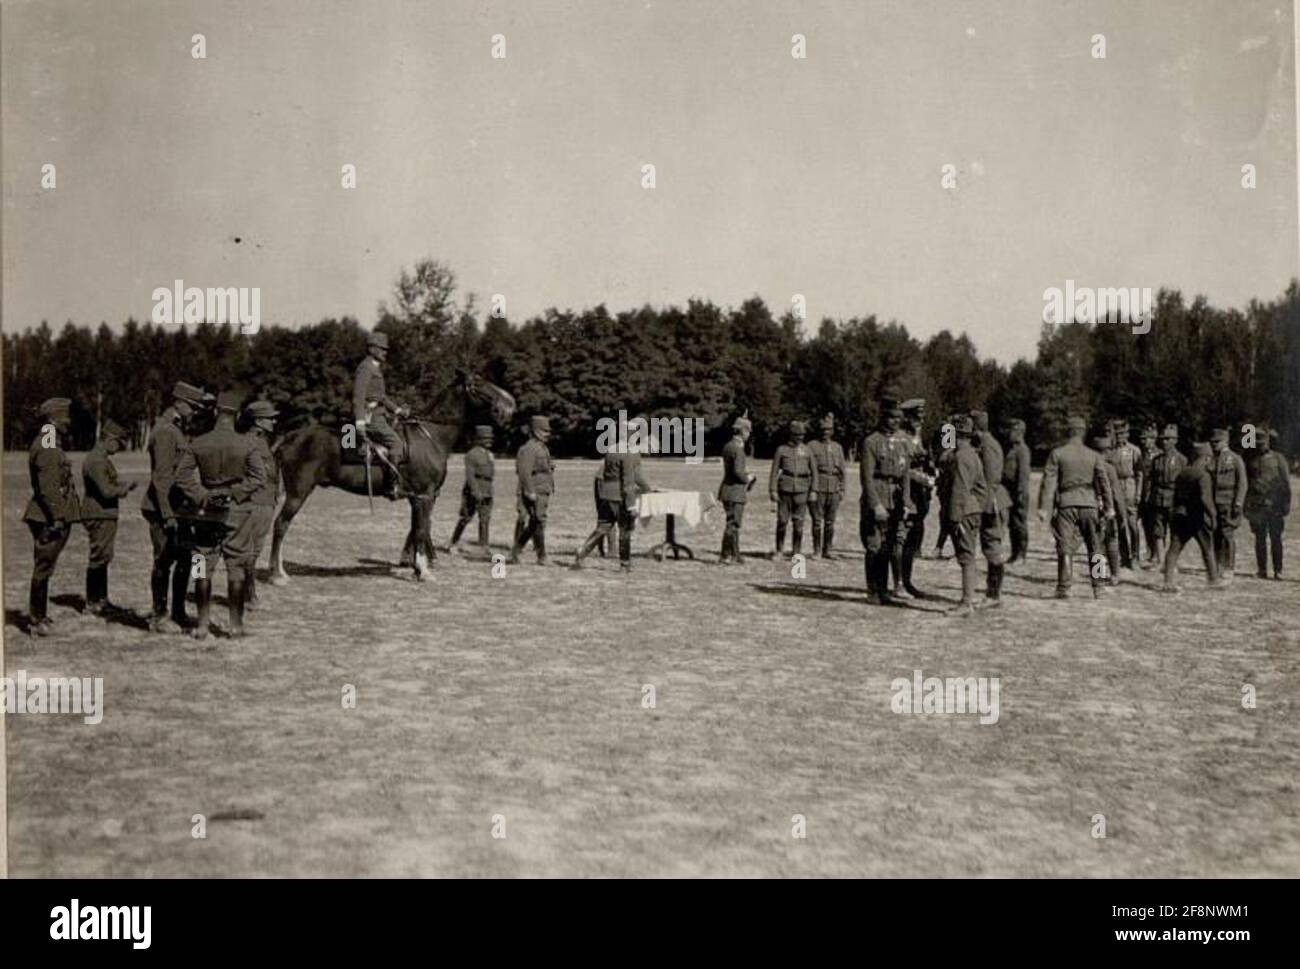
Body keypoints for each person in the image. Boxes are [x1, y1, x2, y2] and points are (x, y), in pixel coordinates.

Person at [175, 390, 268, 639]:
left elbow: (181, 476)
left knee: (201, 563)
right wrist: (235, 492)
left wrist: (202, 495)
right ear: (236, 415)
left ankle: (202, 625)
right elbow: (260, 477)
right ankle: (235, 627)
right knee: (236, 566)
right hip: (237, 512)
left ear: (216, 412)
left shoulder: (198, 442)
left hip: (205, 511)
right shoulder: (247, 443)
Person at [141, 380, 210, 633]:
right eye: (192, 406)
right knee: (163, 560)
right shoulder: (166, 432)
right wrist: (167, 514)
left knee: (184, 560)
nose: (194, 411)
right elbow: (161, 479)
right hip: (163, 508)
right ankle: (159, 617)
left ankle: (178, 612)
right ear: (180, 403)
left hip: (177, 506)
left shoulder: (177, 429)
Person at [22, 398, 81, 636]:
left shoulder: (50, 441)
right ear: (53, 419)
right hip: (48, 516)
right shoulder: (48, 444)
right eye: (64, 417)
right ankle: (36, 620)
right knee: (43, 567)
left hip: (49, 514)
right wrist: (57, 517)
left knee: (46, 567)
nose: (68, 421)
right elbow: (48, 487)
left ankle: (40, 614)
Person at [1038, 416, 1113, 599]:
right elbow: (1104, 483)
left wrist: (1044, 508)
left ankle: (1064, 587)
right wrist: (1109, 506)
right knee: (1096, 546)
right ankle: (1099, 587)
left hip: (1066, 504)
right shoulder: (1094, 455)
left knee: (1065, 546)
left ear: (1069, 432)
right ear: (1083, 432)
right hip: (1089, 503)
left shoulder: (1058, 454)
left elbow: (1049, 483)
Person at [573, 416, 654, 571]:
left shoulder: (611, 450)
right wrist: (631, 503)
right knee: (625, 530)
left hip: (606, 494)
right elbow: (628, 480)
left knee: (603, 527)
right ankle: (625, 564)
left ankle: (582, 551)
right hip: (620, 496)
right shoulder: (628, 453)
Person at [80, 418, 137, 615]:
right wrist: (124, 489)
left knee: (104, 557)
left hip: (103, 513)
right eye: (119, 443)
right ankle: (93, 602)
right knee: (98, 558)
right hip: (99, 514)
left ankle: (101, 600)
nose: (119, 448)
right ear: (110, 439)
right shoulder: (96, 461)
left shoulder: (100, 460)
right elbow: (105, 491)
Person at [860, 395, 912, 605]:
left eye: (898, 418)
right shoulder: (871, 442)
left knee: (890, 547)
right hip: (879, 496)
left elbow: (906, 473)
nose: (895, 421)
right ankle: (873, 590)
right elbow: (867, 478)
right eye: (891, 417)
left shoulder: (903, 441)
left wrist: (907, 501)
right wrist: (875, 505)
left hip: (896, 499)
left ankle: (885, 590)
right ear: (882, 417)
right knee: (874, 546)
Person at [936, 415, 986, 615]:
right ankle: (968, 600)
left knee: (966, 557)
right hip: (971, 509)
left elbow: (959, 489)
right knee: (968, 556)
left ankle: (967, 602)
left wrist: (954, 518)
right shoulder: (970, 454)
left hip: (963, 511)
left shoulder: (961, 457)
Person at [1161, 442, 1222, 594]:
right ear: (1206, 458)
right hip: (1196, 517)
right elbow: (1205, 498)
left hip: (1179, 515)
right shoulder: (1203, 475)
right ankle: (1213, 580)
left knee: (1174, 549)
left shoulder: (1182, 472)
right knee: (1207, 548)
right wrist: (1213, 515)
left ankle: (1168, 581)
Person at [353, 331, 408, 498]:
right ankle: (392, 487)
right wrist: (360, 423)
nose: (385, 352)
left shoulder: (374, 368)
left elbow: (381, 397)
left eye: (386, 349)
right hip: (371, 418)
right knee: (397, 444)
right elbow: (359, 396)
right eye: (382, 349)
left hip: (379, 414)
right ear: (372, 349)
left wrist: (397, 410)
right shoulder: (365, 368)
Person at [240, 400, 280, 610]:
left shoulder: (262, 441)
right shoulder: (251, 441)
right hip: (256, 502)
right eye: (270, 418)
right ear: (258, 421)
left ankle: (248, 594)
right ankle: (248, 596)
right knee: (251, 552)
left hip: (265, 501)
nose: (274, 421)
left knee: (254, 551)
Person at [895, 398, 934, 597]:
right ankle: (898, 583)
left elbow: (926, 459)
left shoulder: (919, 437)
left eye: (922, 416)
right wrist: (921, 477)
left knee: (913, 541)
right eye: (917, 417)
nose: (921, 420)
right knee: (901, 539)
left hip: (921, 496)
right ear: (907, 418)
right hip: (905, 493)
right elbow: (901, 469)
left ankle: (908, 581)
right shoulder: (900, 438)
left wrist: (931, 472)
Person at [971, 410, 1010, 607]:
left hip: (991, 501)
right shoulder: (987, 443)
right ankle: (993, 593)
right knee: (991, 546)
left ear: (976, 428)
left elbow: (990, 477)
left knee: (992, 545)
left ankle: (993, 595)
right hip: (992, 499)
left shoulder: (987, 446)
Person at [1244, 427, 1290, 579]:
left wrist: (1285, 505)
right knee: (1259, 539)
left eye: (1263, 442)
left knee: (1276, 538)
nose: (1260, 445)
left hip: (1275, 506)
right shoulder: (1251, 459)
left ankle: (1278, 570)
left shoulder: (1279, 459)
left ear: (1269, 442)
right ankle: (1262, 569)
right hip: (1258, 506)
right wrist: (1247, 506)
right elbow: (1248, 485)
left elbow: (1285, 484)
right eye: (1258, 443)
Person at [769, 420, 819, 558]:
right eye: (797, 435)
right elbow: (774, 472)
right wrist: (773, 490)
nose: (800, 438)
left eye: (802, 435)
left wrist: (814, 490)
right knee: (782, 521)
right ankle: (779, 550)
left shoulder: (807, 451)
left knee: (799, 524)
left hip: (802, 490)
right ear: (791, 435)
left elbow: (814, 472)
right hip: (784, 489)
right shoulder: (782, 450)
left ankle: (796, 551)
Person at [509, 416, 556, 565]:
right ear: (535, 431)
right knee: (538, 521)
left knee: (536, 522)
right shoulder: (530, 448)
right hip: (535, 489)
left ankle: (517, 550)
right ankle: (541, 556)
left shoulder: (541, 446)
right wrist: (529, 491)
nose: (547, 433)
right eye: (544, 431)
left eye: (548, 431)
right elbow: (524, 472)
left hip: (543, 488)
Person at [1208, 428, 1247, 584]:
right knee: (1215, 534)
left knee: (1227, 535)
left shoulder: (1235, 459)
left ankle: (1229, 568)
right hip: (1213, 501)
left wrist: (1238, 502)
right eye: (1212, 442)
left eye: (1217, 442)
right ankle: (1218, 565)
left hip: (1228, 501)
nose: (1214, 445)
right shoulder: (1211, 459)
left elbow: (1242, 483)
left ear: (1225, 441)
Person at [450, 425, 496, 555]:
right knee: (465, 518)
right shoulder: (471, 455)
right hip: (474, 491)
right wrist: (476, 492)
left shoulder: (489, 454)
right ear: (479, 439)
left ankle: (484, 546)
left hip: (487, 490)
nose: (489, 441)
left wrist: (489, 491)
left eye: (490, 438)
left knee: (485, 519)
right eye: (486, 439)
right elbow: (470, 475)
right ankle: (453, 542)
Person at [718, 414, 756, 565]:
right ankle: (726, 555)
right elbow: (738, 472)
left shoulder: (728, 446)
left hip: (727, 490)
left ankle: (735, 554)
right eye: (748, 431)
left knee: (732, 523)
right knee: (733, 524)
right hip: (735, 492)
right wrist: (749, 478)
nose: (749, 434)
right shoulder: (738, 449)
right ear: (743, 431)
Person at [1146, 424, 1185, 567]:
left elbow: (1185, 482)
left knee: (1175, 531)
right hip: (1158, 498)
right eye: (1163, 439)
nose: (1164, 442)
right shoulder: (1157, 459)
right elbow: (1151, 480)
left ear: (1175, 440)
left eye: (1168, 439)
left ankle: (1172, 562)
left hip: (1174, 498)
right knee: (1158, 531)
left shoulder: (1182, 460)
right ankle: (1161, 561)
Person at [807, 414, 846, 558]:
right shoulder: (812, 446)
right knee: (817, 521)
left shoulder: (837, 447)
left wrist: (842, 488)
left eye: (829, 430)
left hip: (834, 487)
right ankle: (817, 550)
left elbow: (842, 470)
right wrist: (812, 489)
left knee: (830, 522)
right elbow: (809, 469)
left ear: (833, 431)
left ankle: (827, 550)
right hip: (819, 486)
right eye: (823, 430)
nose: (826, 433)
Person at [1108, 419, 1144, 568]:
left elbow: (1140, 473)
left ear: (1127, 434)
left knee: (1132, 525)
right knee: (1119, 524)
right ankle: (1124, 556)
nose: (1120, 437)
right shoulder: (1111, 451)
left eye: (1123, 433)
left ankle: (1135, 556)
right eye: (1117, 434)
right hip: (1116, 487)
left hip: (1130, 486)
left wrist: (1138, 493)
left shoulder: (1134, 451)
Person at [1094, 433, 1125, 586]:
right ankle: (1114, 575)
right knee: (1112, 542)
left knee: (1096, 544)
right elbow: (1116, 493)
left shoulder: (1089, 464)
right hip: (1108, 508)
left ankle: (1098, 575)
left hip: (1092, 507)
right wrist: (1122, 514)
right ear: (1107, 451)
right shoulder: (1109, 468)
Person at [1003, 418, 1032, 566]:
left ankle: (1021, 554)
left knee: (1020, 524)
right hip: (1010, 491)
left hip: (1019, 491)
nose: (1010, 434)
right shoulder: (1011, 449)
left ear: (1020, 433)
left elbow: (1023, 473)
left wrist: (1021, 492)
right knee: (1012, 524)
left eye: (1013, 431)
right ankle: (1014, 553)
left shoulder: (1022, 450)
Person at [1137, 423, 1160, 566]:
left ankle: (1157, 553)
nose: (1144, 442)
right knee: (1146, 524)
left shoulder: (1159, 454)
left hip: (1154, 494)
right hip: (1143, 493)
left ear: (1153, 439)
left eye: (1146, 439)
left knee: (1155, 525)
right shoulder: (1141, 455)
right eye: (1142, 439)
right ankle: (1150, 551)